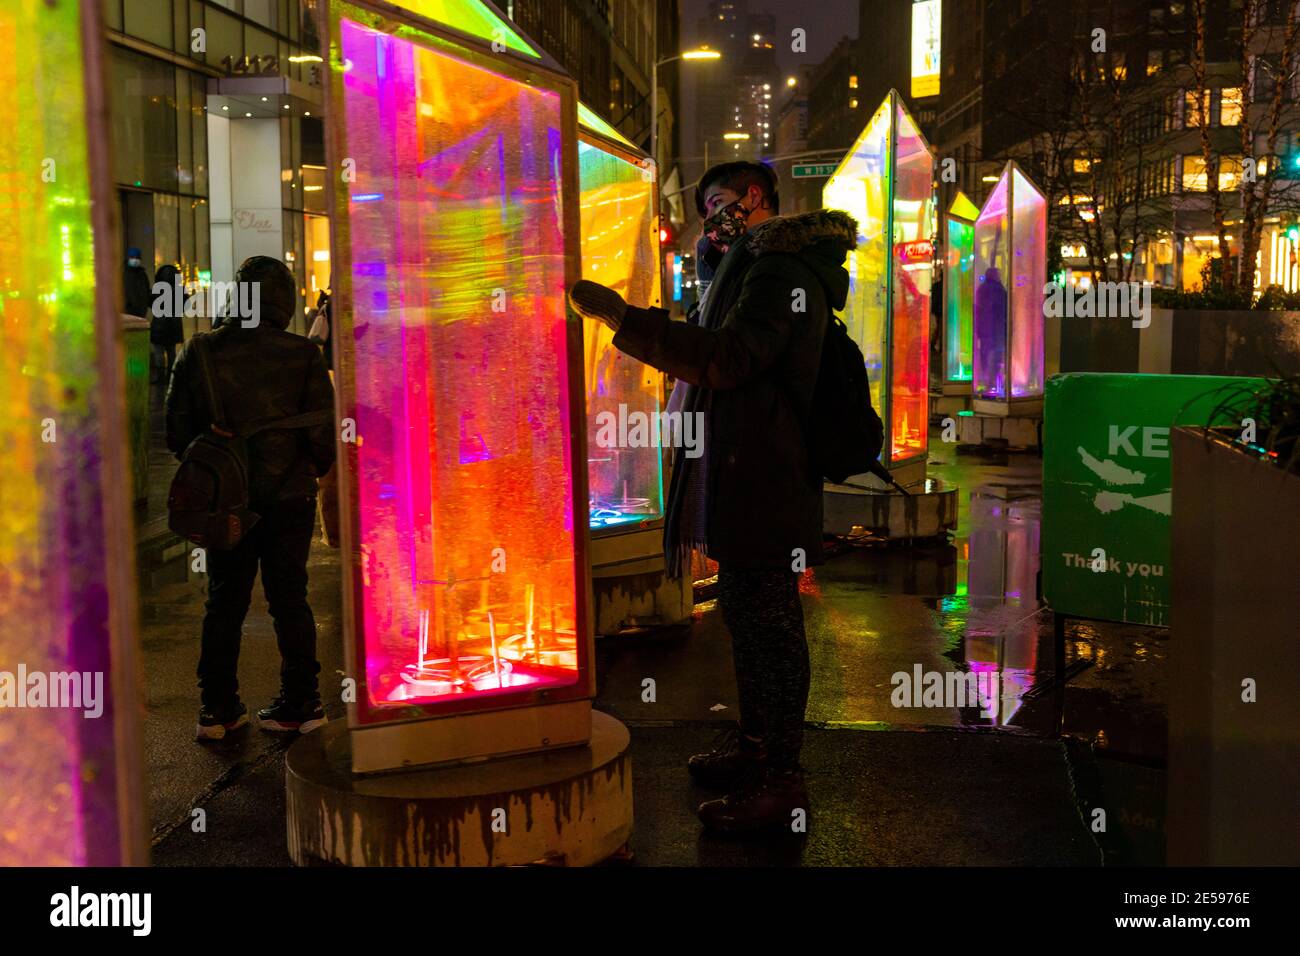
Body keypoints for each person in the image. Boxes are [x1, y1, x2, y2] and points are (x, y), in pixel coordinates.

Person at [569, 161, 858, 834]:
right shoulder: (753, 269)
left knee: (771, 633)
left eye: (721, 203)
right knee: (750, 623)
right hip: (750, 475)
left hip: (767, 481)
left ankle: (781, 781)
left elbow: (727, 358)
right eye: (705, 209)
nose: (712, 218)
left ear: (756, 199)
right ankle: (758, 750)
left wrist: (625, 320)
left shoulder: (779, 272)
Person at [165, 255, 336, 741]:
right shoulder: (303, 355)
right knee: (291, 600)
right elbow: (323, 441)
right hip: (289, 500)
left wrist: (222, 460)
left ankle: (217, 711)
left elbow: (177, 435)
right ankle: (302, 705)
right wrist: (301, 472)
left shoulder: (200, 353)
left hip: (226, 505)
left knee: (224, 604)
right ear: (284, 300)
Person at [150, 263, 185, 385]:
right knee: (171, 352)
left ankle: (160, 378)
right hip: (174, 325)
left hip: (159, 325)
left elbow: (150, 302)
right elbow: (187, 305)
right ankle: (171, 377)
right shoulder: (180, 290)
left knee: (159, 352)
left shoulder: (157, 289)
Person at [122, 246, 152, 318]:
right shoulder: (123, 273)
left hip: (141, 313)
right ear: (128, 258)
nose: (135, 260)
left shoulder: (142, 275)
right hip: (127, 313)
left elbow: (146, 291)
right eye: (132, 257)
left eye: (137, 258)